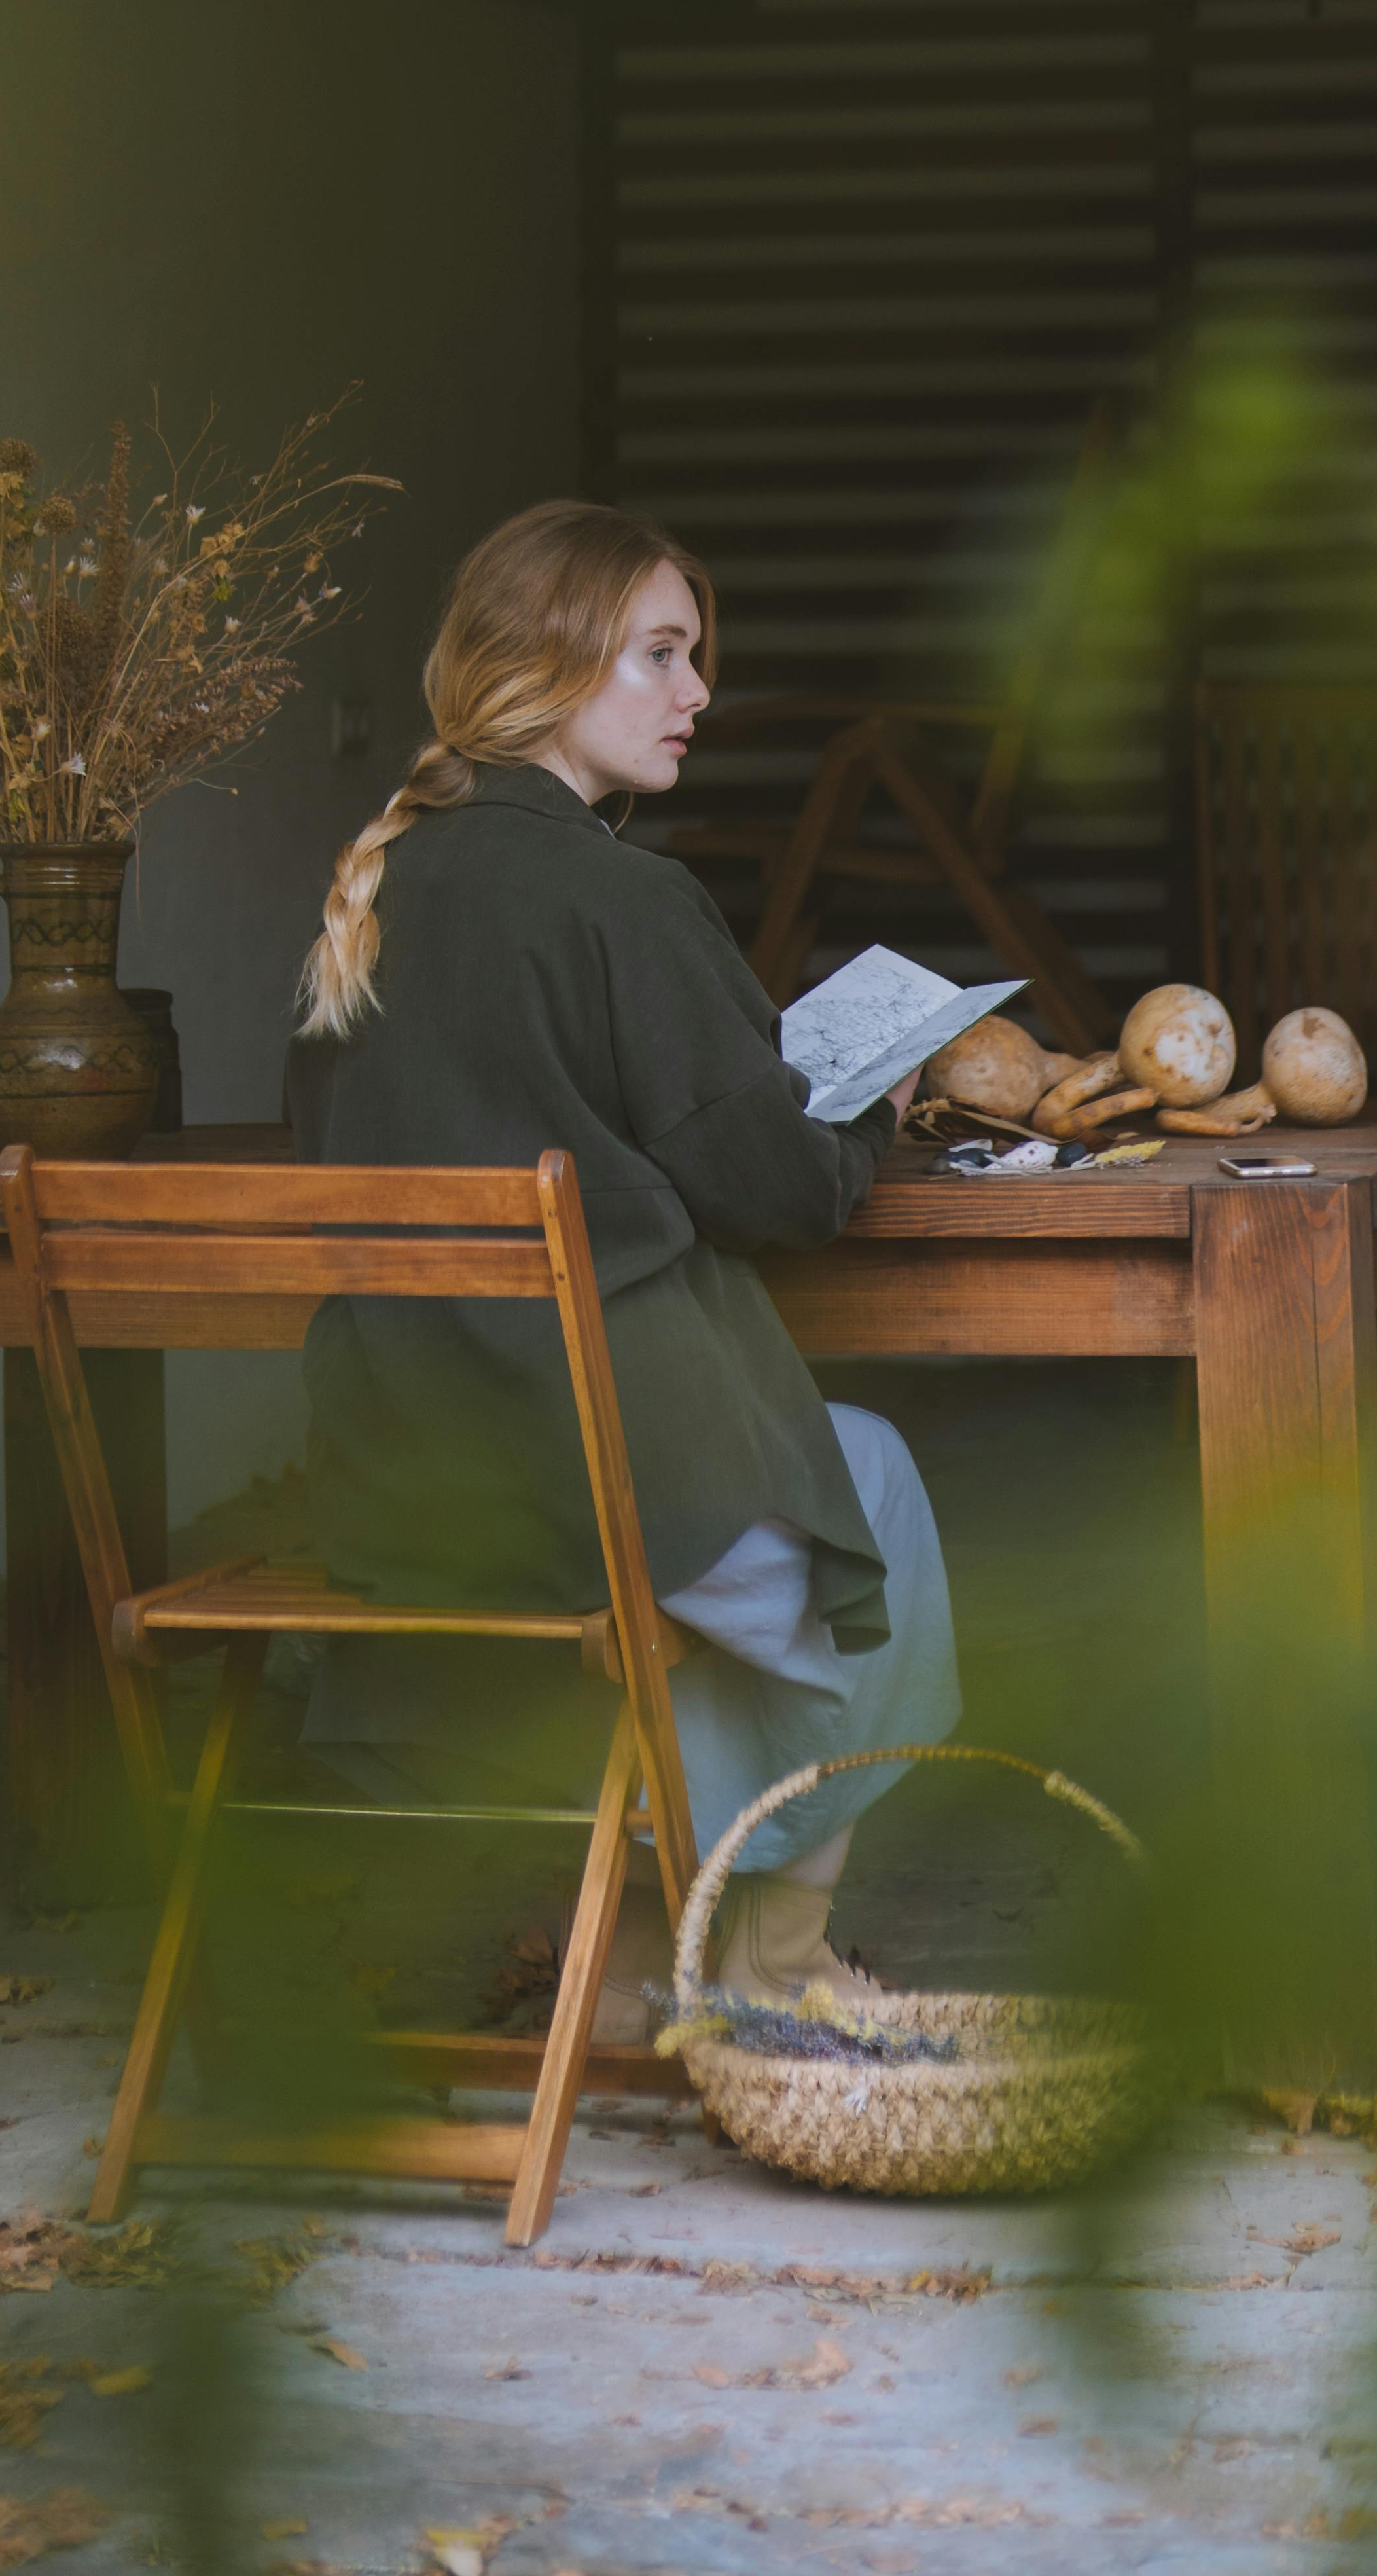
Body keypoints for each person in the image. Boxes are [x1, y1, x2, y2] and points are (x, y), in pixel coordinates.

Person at [283, 499, 961, 2022]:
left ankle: (648, 1955)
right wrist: (871, 1110)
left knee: (714, 1593)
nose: (698, 693)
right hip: (602, 1480)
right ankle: (774, 1958)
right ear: (545, 666)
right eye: (661, 654)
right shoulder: (624, 899)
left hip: (406, 1484)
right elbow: (779, 1181)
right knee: (873, 1501)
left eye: (693, 657)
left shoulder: (374, 896)